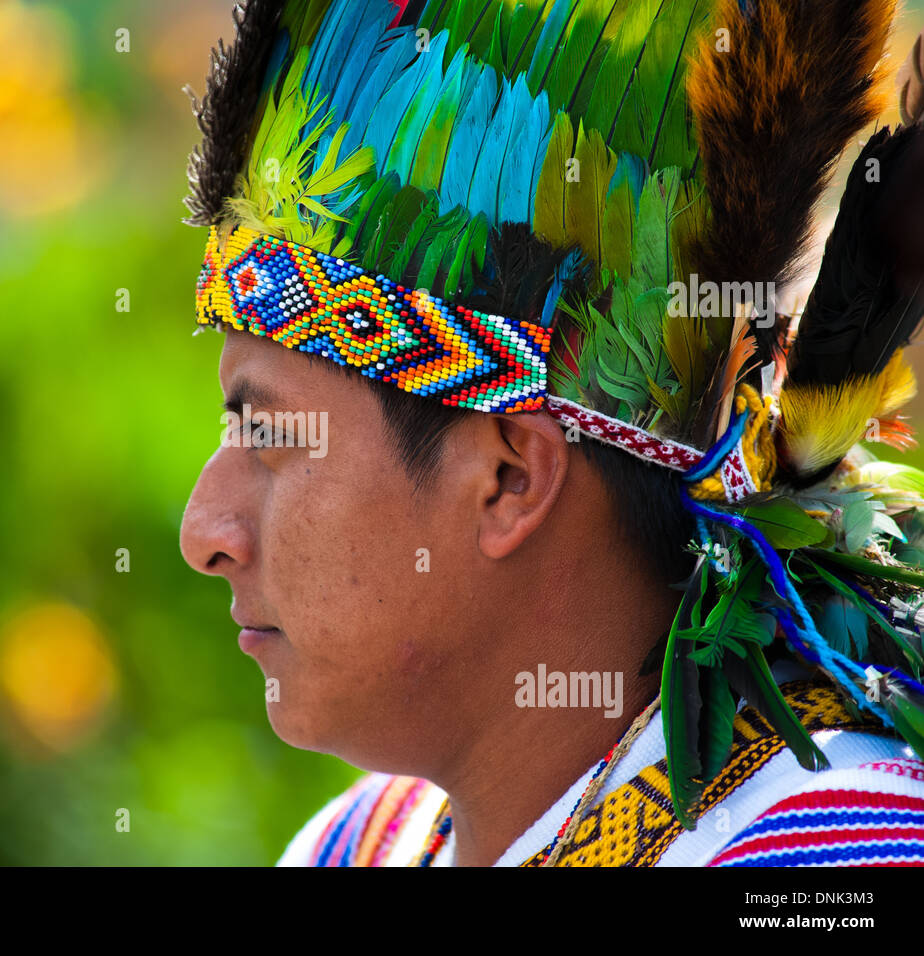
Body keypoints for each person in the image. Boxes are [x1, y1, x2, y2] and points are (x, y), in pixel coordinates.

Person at [178, 0, 924, 866]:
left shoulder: (835, 860)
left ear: (510, 479)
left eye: (269, 434)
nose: (205, 533)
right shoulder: (359, 845)